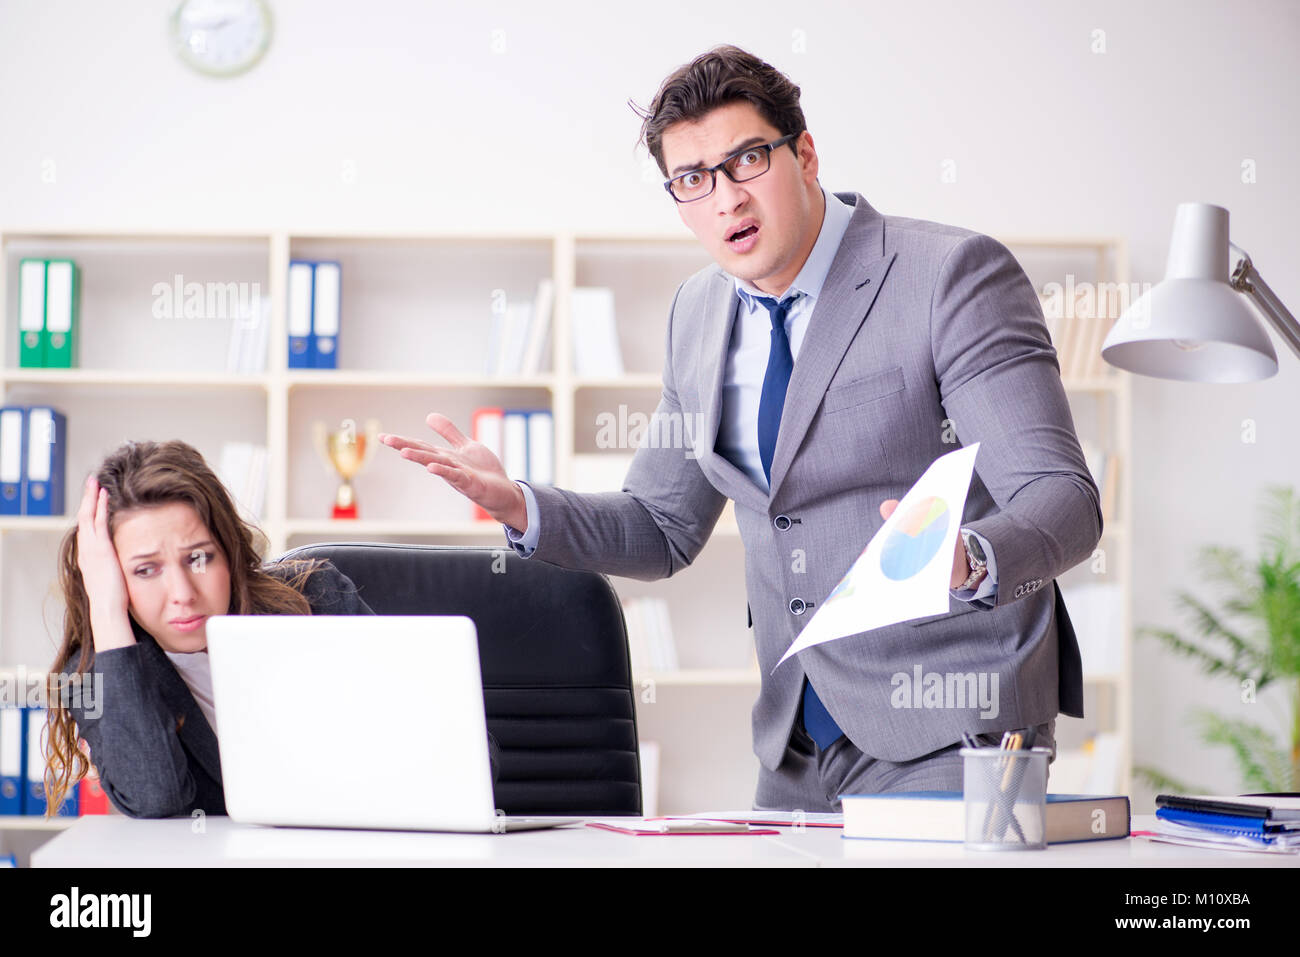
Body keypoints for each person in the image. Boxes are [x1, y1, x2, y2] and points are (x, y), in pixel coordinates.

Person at [379, 46, 1100, 811]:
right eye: (693, 179)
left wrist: (973, 557)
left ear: (805, 155)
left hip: (952, 723)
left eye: (746, 160)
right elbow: (661, 527)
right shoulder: (699, 312)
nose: (725, 198)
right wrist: (524, 505)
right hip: (794, 738)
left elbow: (1064, 498)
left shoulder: (948, 276)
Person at [44, 439, 499, 818]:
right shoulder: (97, 670)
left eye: (198, 557)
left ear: (229, 551)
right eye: (145, 570)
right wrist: (105, 608)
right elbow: (155, 798)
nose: (181, 592)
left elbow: (471, 755)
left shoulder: (315, 600)